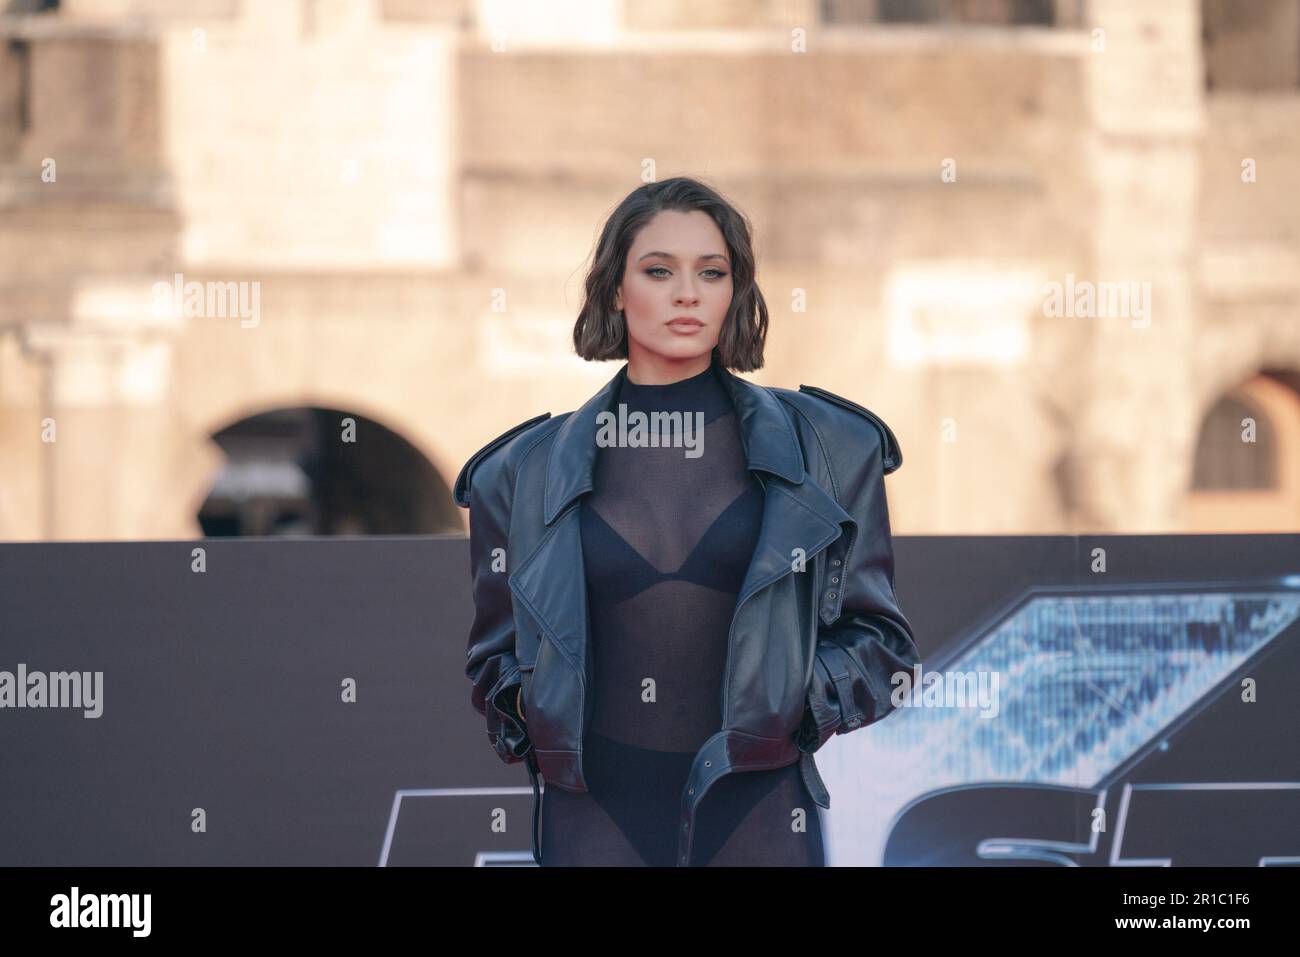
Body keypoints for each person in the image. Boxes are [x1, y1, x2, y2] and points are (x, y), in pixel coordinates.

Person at [456, 176, 919, 866]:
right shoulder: (517, 474)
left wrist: (789, 708)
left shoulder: (832, 449)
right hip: (592, 815)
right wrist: (533, 712)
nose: (687, 293)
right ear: (616, 288)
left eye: (712, 271)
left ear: (737, 290)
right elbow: (495, 657)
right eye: (658, 270)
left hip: (759, 811)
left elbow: (883, 645)